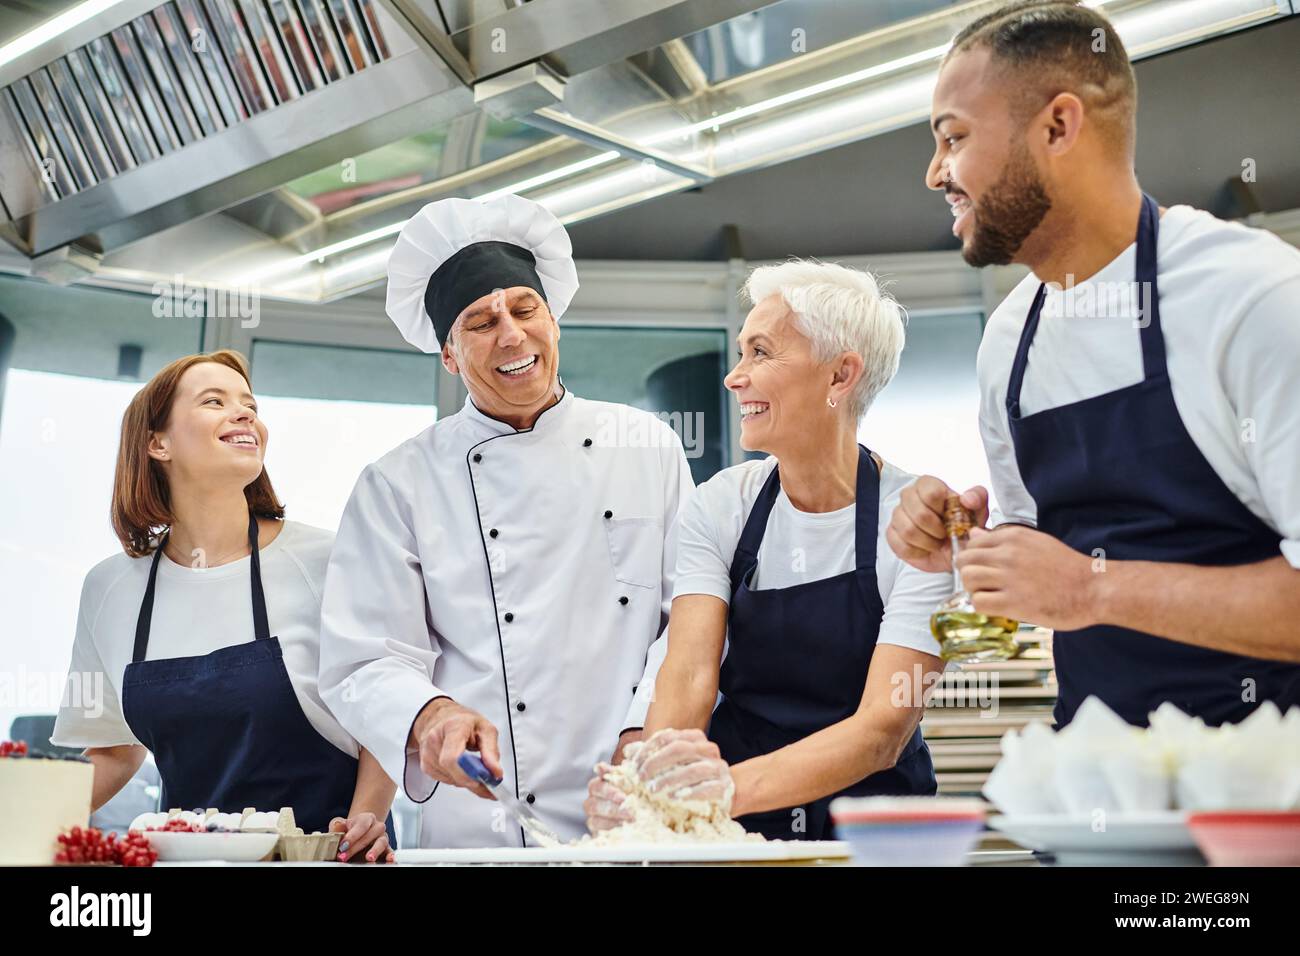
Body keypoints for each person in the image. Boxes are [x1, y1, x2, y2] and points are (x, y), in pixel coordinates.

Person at [888, 0, 1300, 727]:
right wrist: (967, 547)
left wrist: (1094, 589)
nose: (934, 174)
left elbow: (1079, 585)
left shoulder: (1252, 299)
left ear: (1058, 126)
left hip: (1268, 808)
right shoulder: (1009, 341)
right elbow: (1043, 569)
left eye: (953, 137)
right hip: (1098, 792)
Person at [318, 194, 692, 846]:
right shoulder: (398, 481)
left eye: (525, 310)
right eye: (481, 321)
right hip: (478, 824)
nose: (512, 334)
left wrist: (644, 732)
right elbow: (364, 661)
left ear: (554, 321)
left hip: (633, 811)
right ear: (449, 354)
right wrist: (434, 717)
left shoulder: (646, 445)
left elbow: (688, 616)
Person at [586, 260, 951, 841]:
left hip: (877, 839)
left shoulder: (919, 527)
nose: (735, 377)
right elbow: (686, 678)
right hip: (745, 836)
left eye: (760, 353)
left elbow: (883, 732)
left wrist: (713, 794)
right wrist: (649, 790)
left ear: (840, 377)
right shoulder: (722, 506)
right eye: (740, 352)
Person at [52, 350, 394, 861]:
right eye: (214, 401)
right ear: (157, 443)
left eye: (249, 403)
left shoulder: (330, 560)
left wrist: (367, 818)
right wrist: (22, 815)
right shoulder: (110, 588)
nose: (244, 413)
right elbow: (114, 750)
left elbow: (386, 707)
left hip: (326, 858)